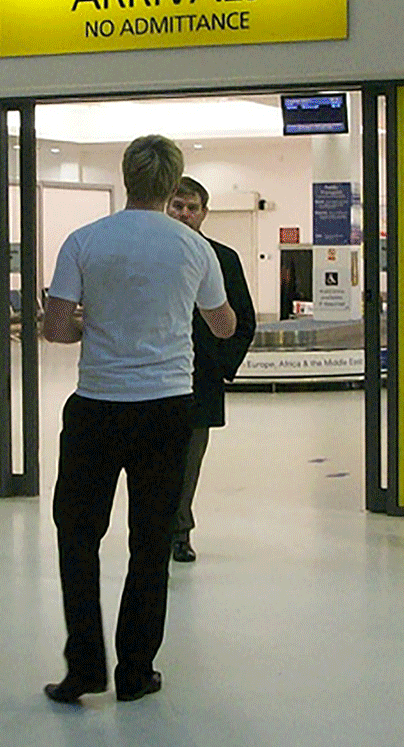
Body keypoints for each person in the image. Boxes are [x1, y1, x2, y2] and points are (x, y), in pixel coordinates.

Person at [41, 134, 236, 703]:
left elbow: (55, 328)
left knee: (77, 537)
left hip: (96, 408)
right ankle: (135, 672)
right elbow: (223, 325)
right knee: (150, 542)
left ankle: (83, 669)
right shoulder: (196, 249)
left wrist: (94, 325)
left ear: (127, 176)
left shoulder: (84, 241)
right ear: (173, 183)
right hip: (168, 410)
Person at [166, 176, 257, 562]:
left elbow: (244, 321)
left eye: (192, 208)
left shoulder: (223, 259)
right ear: (165, 207)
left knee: (188, 461)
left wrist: (221, 365)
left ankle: (178, 533)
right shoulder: (148, 254)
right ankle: (155, 529)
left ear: (204, 213)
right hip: (150, 374)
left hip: (199, 378)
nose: (185, 215)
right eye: (178, 206)